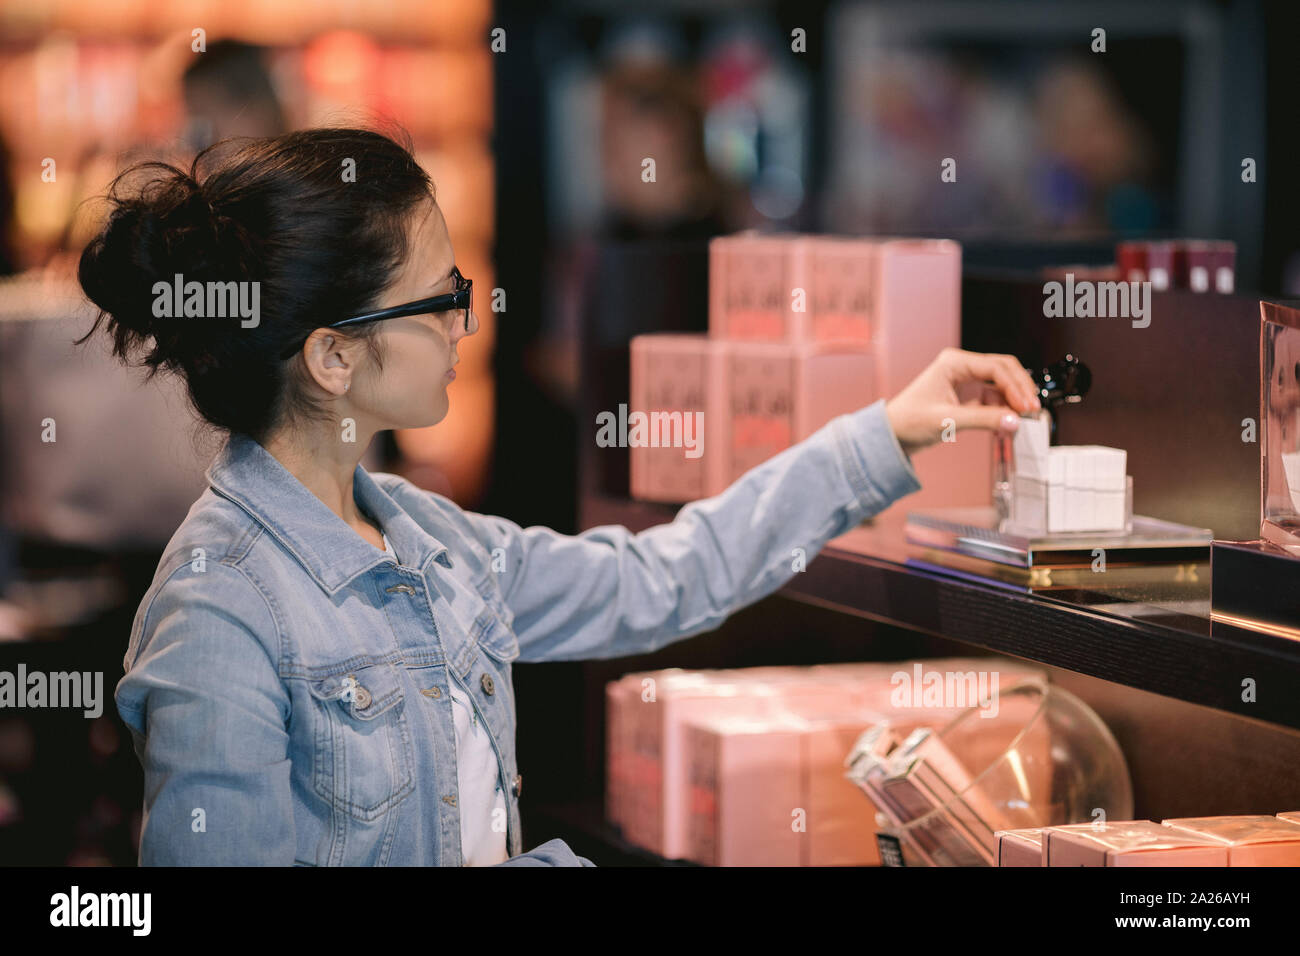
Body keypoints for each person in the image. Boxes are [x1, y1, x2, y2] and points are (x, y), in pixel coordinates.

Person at [76, 125, 1038, 866]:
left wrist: (885, 433)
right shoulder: (219, 611)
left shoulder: (426, 539)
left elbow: (666, 578)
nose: (466, 318)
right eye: (439, 295)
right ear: (332, 356)